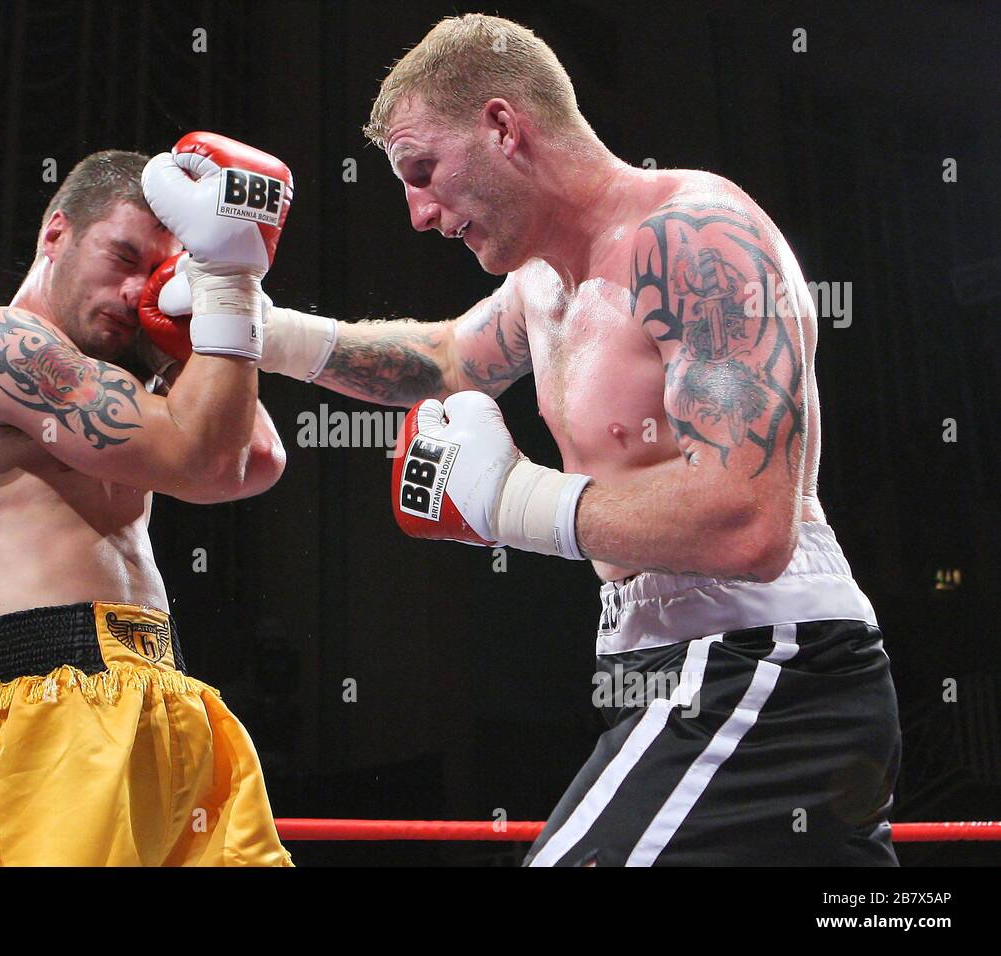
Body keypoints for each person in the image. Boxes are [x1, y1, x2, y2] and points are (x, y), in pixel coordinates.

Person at [257, 14, 899, 865]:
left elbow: (749, 522)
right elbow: (444, 361)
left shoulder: (695, 243)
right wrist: (262, 331)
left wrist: (508, 501)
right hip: (664, 668)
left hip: (766, 665)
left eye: (424, 172)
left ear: (501, 125)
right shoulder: (540, 288)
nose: (418, 214)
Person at [0, 135, 294, 866]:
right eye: (123, 259)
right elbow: (202, 457)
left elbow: (252, 459)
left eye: (158, 272)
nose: (134, 293)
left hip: (166, 700)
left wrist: (188, 319)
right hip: (34, 710)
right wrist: (230, 280)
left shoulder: (135, 382)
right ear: (57, 233)